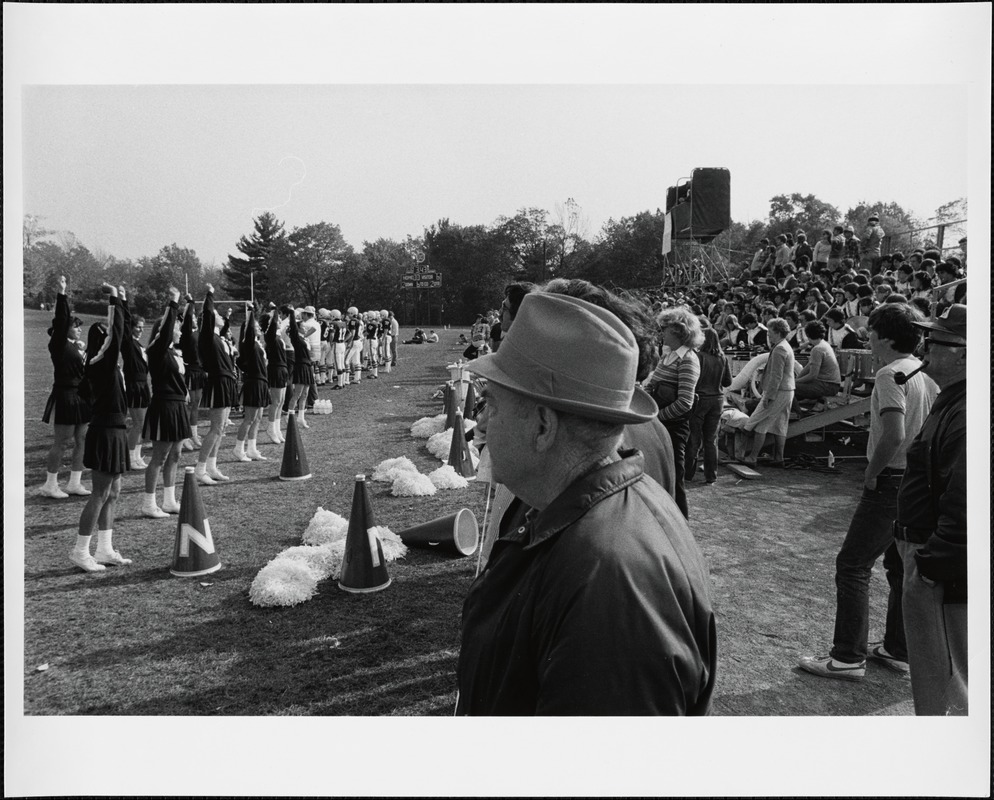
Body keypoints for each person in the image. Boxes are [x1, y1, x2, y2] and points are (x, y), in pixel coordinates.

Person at [456, 292, 716, 715]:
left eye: (493, 404)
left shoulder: (607, 584)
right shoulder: (580, 515)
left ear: (543, 426)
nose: (481, 421)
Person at [798, 303, 937, 682]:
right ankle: (897, 647)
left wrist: (871, 474)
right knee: (896, 567)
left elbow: (893, 433)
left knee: (853, 565)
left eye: (872, 331)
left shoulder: (890, 374)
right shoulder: (924, 373)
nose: (867, 337)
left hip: (890, 479)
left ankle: (847, 656)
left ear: (886, 337)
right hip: (914, 483)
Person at [894, 304, 967, 714]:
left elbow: (966, 503)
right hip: (928, 558)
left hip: (938, 569)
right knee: (934, 677)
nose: (924, 347)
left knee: (950, 686)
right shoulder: (953, 399)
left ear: (965, 354)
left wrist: (930, 566)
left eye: (936, 341)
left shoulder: (966, 408)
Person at [71, 282, 132, 572]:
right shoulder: (100, 363)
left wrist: (124, 304)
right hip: (106, 432)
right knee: (99, 493)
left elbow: (123, 333)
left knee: (114, 493)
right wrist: (115, 299)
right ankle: (80, 551)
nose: (113, 338)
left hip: (115, 430)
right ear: (102, 341)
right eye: (107, 336)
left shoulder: (110, 366)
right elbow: (117, 335)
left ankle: (104, 548)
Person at [643, 307, 703, 519]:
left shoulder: (688, 359)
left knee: (675, 478)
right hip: (661, 424)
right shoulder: (667, 354)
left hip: (674, 428)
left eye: (666, 329)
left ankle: (681, 524)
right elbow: (654, 384)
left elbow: (685, 403)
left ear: (679, 331)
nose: (663, 333)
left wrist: (656, 417)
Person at [140, 287, 192, 519]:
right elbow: (167, 329)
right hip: (164, 406)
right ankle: (148, 503)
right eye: (176, 329)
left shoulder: (174, 352)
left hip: (179, 406)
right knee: (159, 457)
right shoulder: (156, 351)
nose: (179, 332)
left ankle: (169, 500)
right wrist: (173, 303)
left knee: (176, 455)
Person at [40, 275, 92, 499]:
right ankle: (50, 484)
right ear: (63, 330)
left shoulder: (75, 346)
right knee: (62, 441)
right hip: (66, 394)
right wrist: (62, 294)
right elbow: (62, 319)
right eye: (75, 326)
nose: (79, 329)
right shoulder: (58, 343)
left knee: (82, 439)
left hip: (81, 395)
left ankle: (74, 482)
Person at [195, 284, 237, 485]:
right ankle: (200, 468)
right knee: (216, 427)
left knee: (221, 429)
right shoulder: (206, 336)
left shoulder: (219, 338)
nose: (218, 316)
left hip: (227, 381)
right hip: (218, 381)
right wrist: (209, 293)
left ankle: (212, 465)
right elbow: (208, 313)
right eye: (216, 315)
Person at [742, 317, 795, 465]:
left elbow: (776, 376)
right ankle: (779, 457)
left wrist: (768, 396)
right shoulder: (784, 346)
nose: (768, 335)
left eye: (770, 332)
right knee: (780, 424)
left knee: (760, 423)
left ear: (778, 332)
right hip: (787, 390)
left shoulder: (780, 349)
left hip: (779, 391)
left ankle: (752, 457)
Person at [686, 328, 731, 485]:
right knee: (711, 440)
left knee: (694, 439)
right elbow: (728, 382)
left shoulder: (698, 357)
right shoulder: (722, 358)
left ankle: (688, 474)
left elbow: (693, 379)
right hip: (717, 400)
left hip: (700, 400)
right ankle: (711, 475)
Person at [232, 303, 270, 462]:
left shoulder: (257, 343)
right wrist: (250, 312)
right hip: (254, 383)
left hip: (261, 381)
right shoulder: (249, 342)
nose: (259, 328)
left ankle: (252, 448)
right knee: (249, 418)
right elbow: (248, 330)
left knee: (258, 417)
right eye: (256, 326)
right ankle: (238, 449)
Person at [120, 299, 150, 469]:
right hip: (134, 385)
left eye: (142, 327)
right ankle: (130, 457)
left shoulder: (139, 344)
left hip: (143, 385)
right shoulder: (128, 342)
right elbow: (124, 322)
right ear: (131, 327)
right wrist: (123, 300)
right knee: (138, 423)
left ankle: (137, 456)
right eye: (137, 326)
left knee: (143, 424)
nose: (140, 330)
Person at [179, 294, 206, 449]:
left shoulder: (198, 332)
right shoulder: (187, 332)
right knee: (187, 405)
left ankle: (193, 434)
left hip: (199, 371)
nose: (195, 318)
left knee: (196, 403)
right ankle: (184, 436)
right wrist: (190, 302)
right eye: (193, 317)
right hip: (189, 370)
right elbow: (188, 317)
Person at [793, 321, 841, 404]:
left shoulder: (817, 349)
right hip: (830, 385)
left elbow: (812, 375)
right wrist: (796, 379)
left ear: (807, 335)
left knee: (788, 387)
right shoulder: (823, 344)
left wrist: (794, 382)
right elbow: (808, 367)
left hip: (828, 386)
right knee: (792, 384)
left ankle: (796, 412)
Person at [287, 305, 318, 427]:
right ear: (298, 329)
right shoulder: (296, 338)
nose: (305, 328)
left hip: (307, 365)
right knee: (297, 393)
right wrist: (291, 314)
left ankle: (301, 417)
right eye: (303, 327)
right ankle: (290, 417)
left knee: (305, 393)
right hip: (300, 366)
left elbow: (314, 328)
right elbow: (293, 327)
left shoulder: (304, 339)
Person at [262, 306, 289, 442]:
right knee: (276, 401)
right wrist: (275, 310)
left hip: (282, 368)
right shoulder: (270, 336)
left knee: (282, 401)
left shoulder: (278, 336)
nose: (279, 321)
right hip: (275, 369)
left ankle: (277, 429)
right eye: (277, 320)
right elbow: (273, 325)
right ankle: (271, 428)